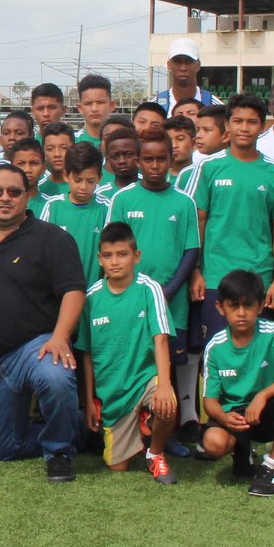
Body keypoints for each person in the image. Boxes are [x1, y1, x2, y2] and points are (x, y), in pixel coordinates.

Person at [0, 163, 88, 481]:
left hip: (36, 346)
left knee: (56, 376)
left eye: (14, 191)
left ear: (27, 196)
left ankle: (59, 453)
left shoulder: (52, 239)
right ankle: (79, 430)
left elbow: (73, 291)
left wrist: (60, 337)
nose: (5, 198)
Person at [106, 133, 199, 434]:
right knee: (134, 360)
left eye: (161, 159)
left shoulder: (184, 201)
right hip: (131, 298)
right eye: (148, 159)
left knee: (168, 363)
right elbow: (112, 247)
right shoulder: (123, 198)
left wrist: (168, 290)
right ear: (138, 161)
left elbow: (191, 250)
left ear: (171, 161)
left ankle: (165, 431)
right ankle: (130, 426)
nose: (155, 165)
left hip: (173, 299)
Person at [78, 223, 178, 485]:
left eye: (122, 254)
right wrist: (89, 400)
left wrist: (164, 386)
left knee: (167, 405)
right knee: (117, 466)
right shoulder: (91, 297)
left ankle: (155, 452)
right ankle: (138, 425)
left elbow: (161, 340)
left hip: (145, 380)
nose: (115, 262)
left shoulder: (149, 289)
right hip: (113, 394)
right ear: (100, 259)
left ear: (136, 256)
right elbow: (86, 354)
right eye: (108, 255)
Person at [194, 269, 274, 497]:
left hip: (268, 411)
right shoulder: (215, 346)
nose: (241, 313)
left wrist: (262, 395)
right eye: (234, 306)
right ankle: (242, 451)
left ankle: (272, 467)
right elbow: (210, 402)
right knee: (213, 443)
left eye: (248, 305)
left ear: (261, 305)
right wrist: (224, 417)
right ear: (220, 308)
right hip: (235, 415)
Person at [192, 93, 274, 344]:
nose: (244, 128)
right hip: (216, 276)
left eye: (252, 122)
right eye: (238, 121)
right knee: (217, 353)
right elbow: (198, 222)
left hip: (261, 277)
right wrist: (195, 270)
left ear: (262, 126)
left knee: (261, 358)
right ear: (227, 125)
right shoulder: (207, 167)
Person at [43, 141, 109, 283]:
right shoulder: (52, 206)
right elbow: (42, 249)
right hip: (58, 291)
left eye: (90, 181)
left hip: (94, 292)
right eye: (77, 180)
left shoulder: (106, 208)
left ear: (100, 178)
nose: (83, 187)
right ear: (66, 175)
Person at [153, 38, 221, 112]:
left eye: (188, 61)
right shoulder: (155, 107)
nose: (183, 68)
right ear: (169, 65)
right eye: (177, 61)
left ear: (198, 65)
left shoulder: (214, 106)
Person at [73, 74, 113, 147]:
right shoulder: (71, 142)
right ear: (80, 108)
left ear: (112, 106)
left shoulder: (124, 142)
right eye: (88, 103)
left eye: (100, 103)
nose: (94, 109)